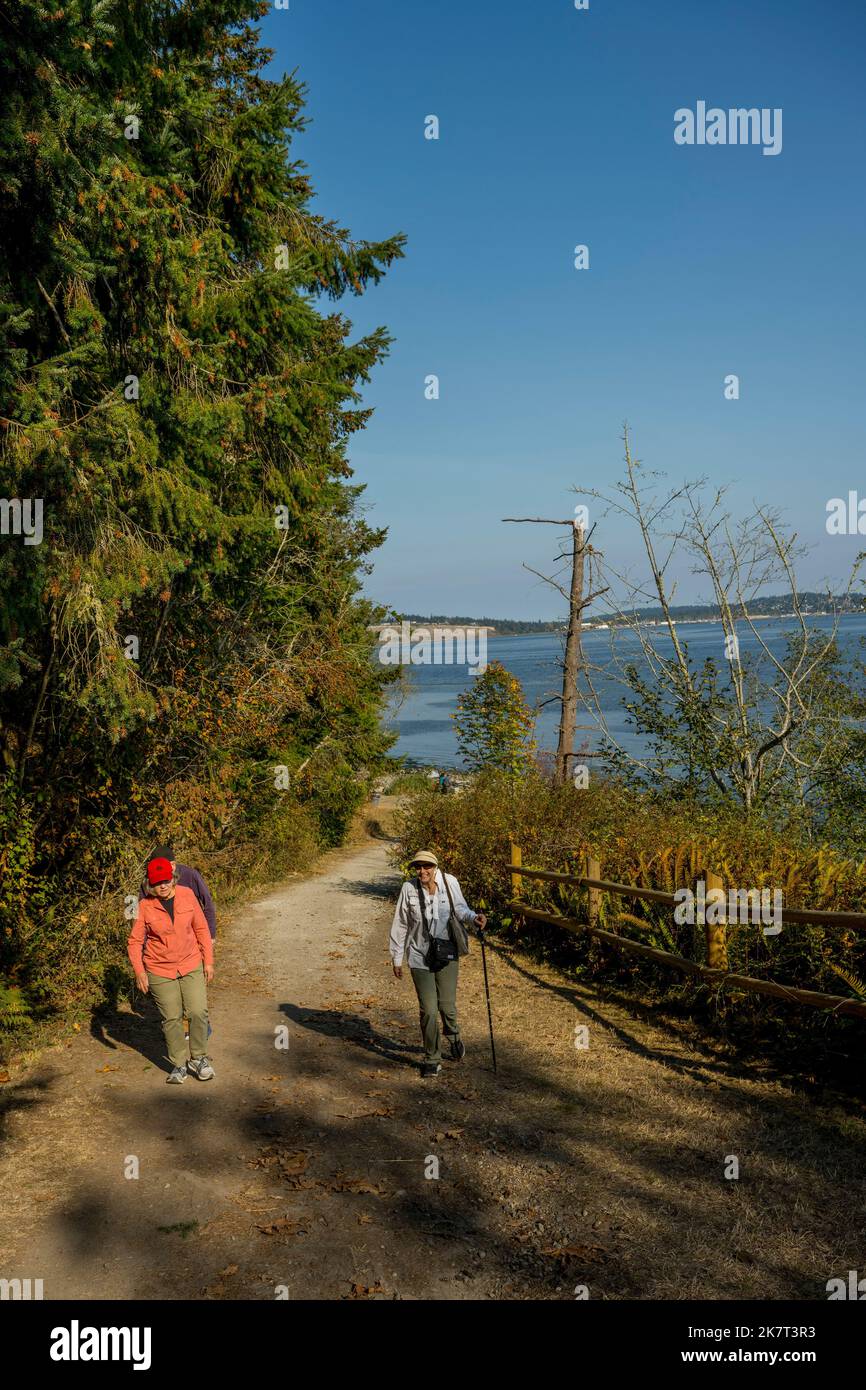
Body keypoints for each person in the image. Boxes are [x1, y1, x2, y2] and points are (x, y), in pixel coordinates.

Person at [389, 850, 487, 1078]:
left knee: (446, 1006)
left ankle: (453, 1035)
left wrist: (474, 918)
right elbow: (401, 924)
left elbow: (460, 909)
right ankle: (432, 1057)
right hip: (418, 955)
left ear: (435, 867)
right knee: (429, 1011)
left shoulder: (449, 882)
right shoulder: (408, 889)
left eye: (427, 866)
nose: (422, 871)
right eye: (418, 867)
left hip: (446, 954)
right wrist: (396, 957)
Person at [128, 857, 215, 1084]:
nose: (163, 886)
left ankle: (199, 1058)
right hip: (159, 969)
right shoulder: (144, 906)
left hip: (190, 962)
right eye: (157, 882)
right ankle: (178, 1064)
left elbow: (201, 929)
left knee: (198, 1012)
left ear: (173, 878)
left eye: (166, 880)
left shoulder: (187, 895)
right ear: (150, 884)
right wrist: (139, 971)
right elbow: (135, 941)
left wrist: (208, 961)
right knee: (172, 1018)